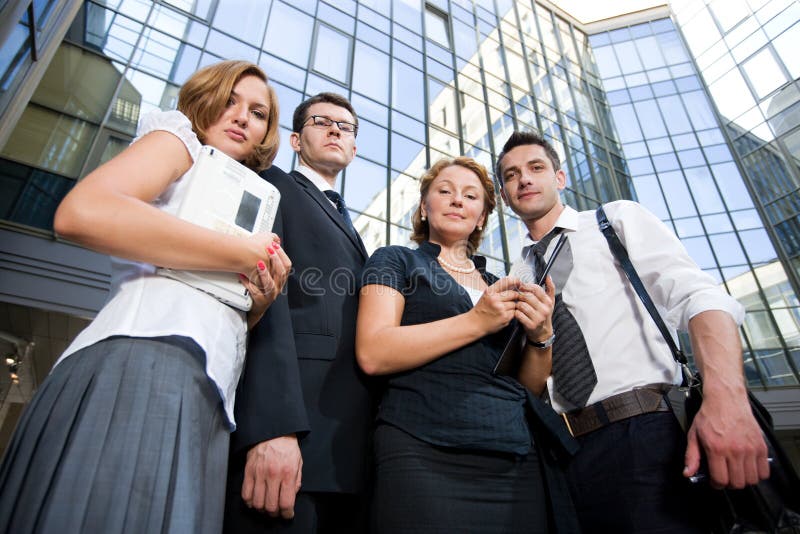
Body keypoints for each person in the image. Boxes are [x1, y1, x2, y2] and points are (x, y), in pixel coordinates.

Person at [0, 60, 291, 534]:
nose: (242, 117)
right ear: (203, 101)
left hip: (210, 394)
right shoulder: (178, 142)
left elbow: (215, 305)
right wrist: (241, 253)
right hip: (145, 357)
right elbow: (82, 212)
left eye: (259, 112)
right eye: (230, 100)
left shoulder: (251, 196)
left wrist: (256, 302)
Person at [496, 130, 770, 533]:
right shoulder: (516, 277)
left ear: (559, 177)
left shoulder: (615, 221)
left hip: (646, 436)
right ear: (503, 195)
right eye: (511, 175)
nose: (524, 179)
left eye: (536, 168)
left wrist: (727, 399)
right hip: (564, 456)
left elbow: (700, 298)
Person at [355, 156, 577, 533]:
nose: (458, 200)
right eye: (445, 191)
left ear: (481, 217)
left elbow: (527, 387)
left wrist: (541, 336)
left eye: (471, 196)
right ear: (424, 207)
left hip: (513, 457)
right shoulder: (393, 260)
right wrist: (477, 321)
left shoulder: (502, 284)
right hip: (420, 450)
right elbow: (373, 351)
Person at [225, 93, 372, 533]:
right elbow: (263, 301)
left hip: (344, 450)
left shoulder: (348, 222)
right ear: (294, 139)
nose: (334, 130)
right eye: (321, 121)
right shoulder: (272, 185)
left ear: (354, 147)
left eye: (345, 127)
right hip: (291, 436)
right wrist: (274, 427)